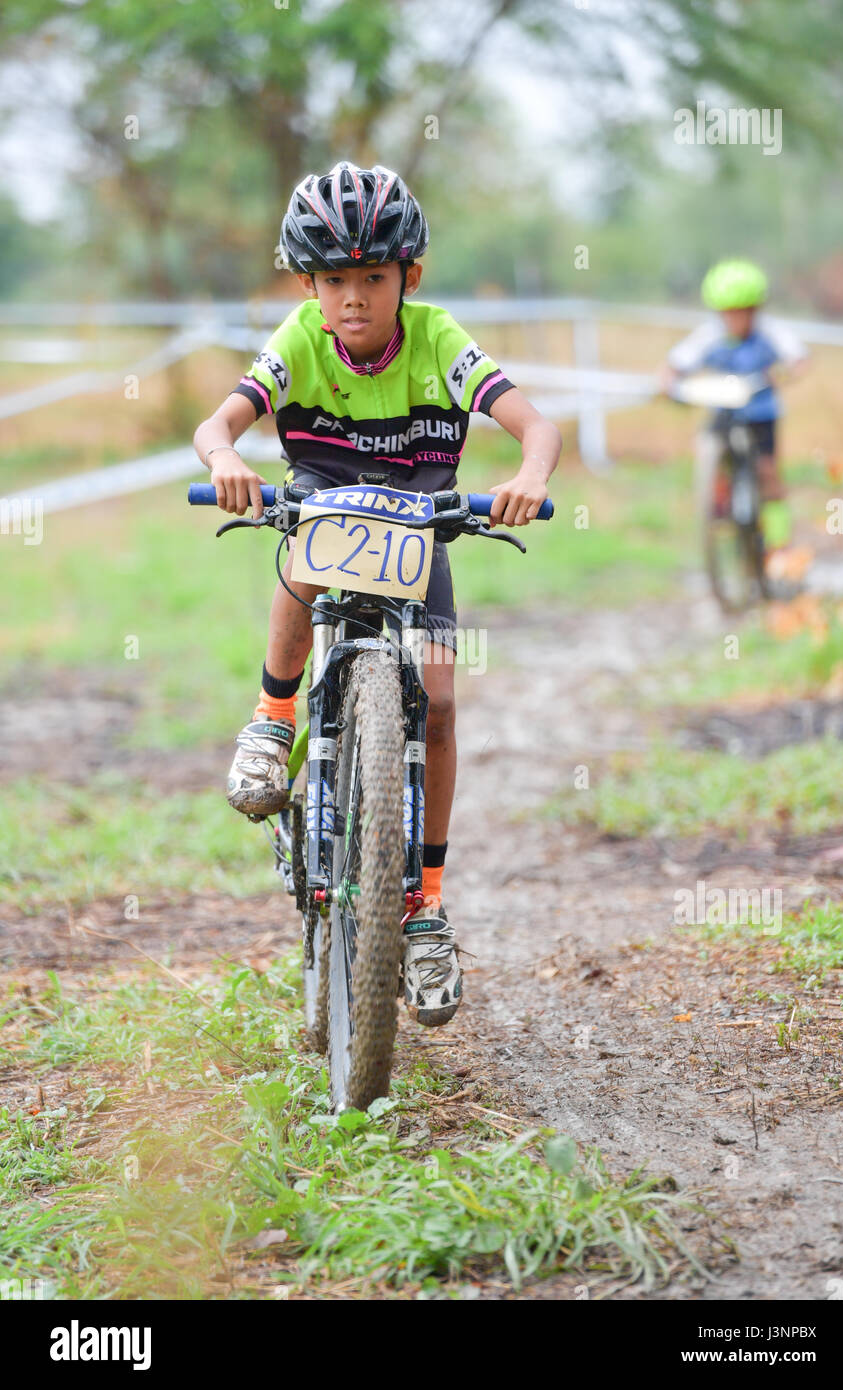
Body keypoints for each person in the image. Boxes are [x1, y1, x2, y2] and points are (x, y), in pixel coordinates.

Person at [193, 161, 561, 1027]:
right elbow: (219, 422)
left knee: (437, 706)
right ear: (308, 285)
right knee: (305, 545)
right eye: (332, 279)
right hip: (323, 516)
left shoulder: (439, 340)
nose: (352, 297)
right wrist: (226, 460)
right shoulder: (298, 340)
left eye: (372, 277)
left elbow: (535, 425)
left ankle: (424, 906)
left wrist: (529, 477)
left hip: (417, 531)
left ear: (409, 279)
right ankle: (272, 717)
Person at [663, 259, 809, 577]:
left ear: (755, 309)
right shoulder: (709, 335)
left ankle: (779, 544)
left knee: (768, 472)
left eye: (742, 311)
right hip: (723, 411)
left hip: (760, 413)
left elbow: (798, 359)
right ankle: (715, 506)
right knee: (707, 446)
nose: (735, 319)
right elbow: (676, 362)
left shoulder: (770, 332)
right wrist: (669, 383)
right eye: (728, 312)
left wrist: (781, 373)